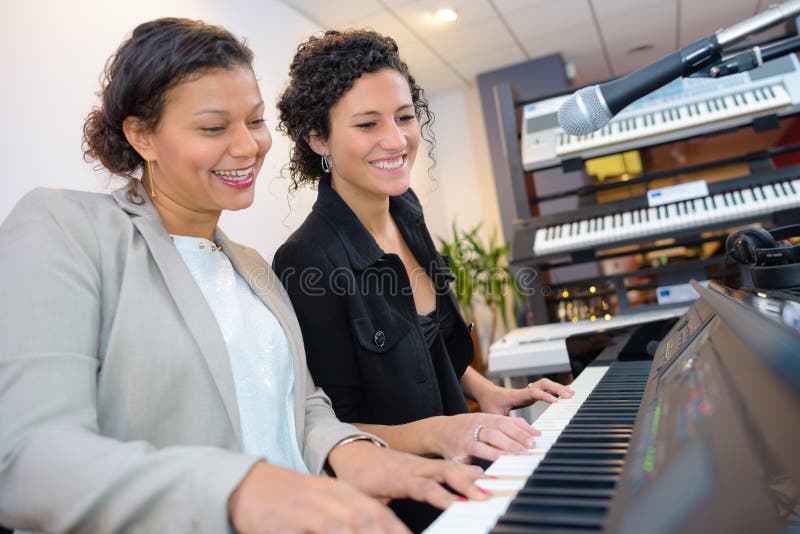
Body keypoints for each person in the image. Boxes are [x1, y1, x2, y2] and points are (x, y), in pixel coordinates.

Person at [0, 18, 489, 534]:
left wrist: (355, 450)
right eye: (214, 128)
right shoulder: (66, 231)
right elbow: (25, 456)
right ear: (142, 135)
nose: (247, 146)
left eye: (255, 122)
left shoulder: (252, 267)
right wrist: (240, 486)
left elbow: (300, 407)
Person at [273, 29, 574, 530]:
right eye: (368, 124)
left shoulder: (405, 210)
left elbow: (429, 342)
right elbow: (334, 429)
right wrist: (445, 433)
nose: (396, 140)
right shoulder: (307, 259)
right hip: (408, 510)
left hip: (470, 478)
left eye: (405, 116)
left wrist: (487, 392)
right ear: (317, 138)